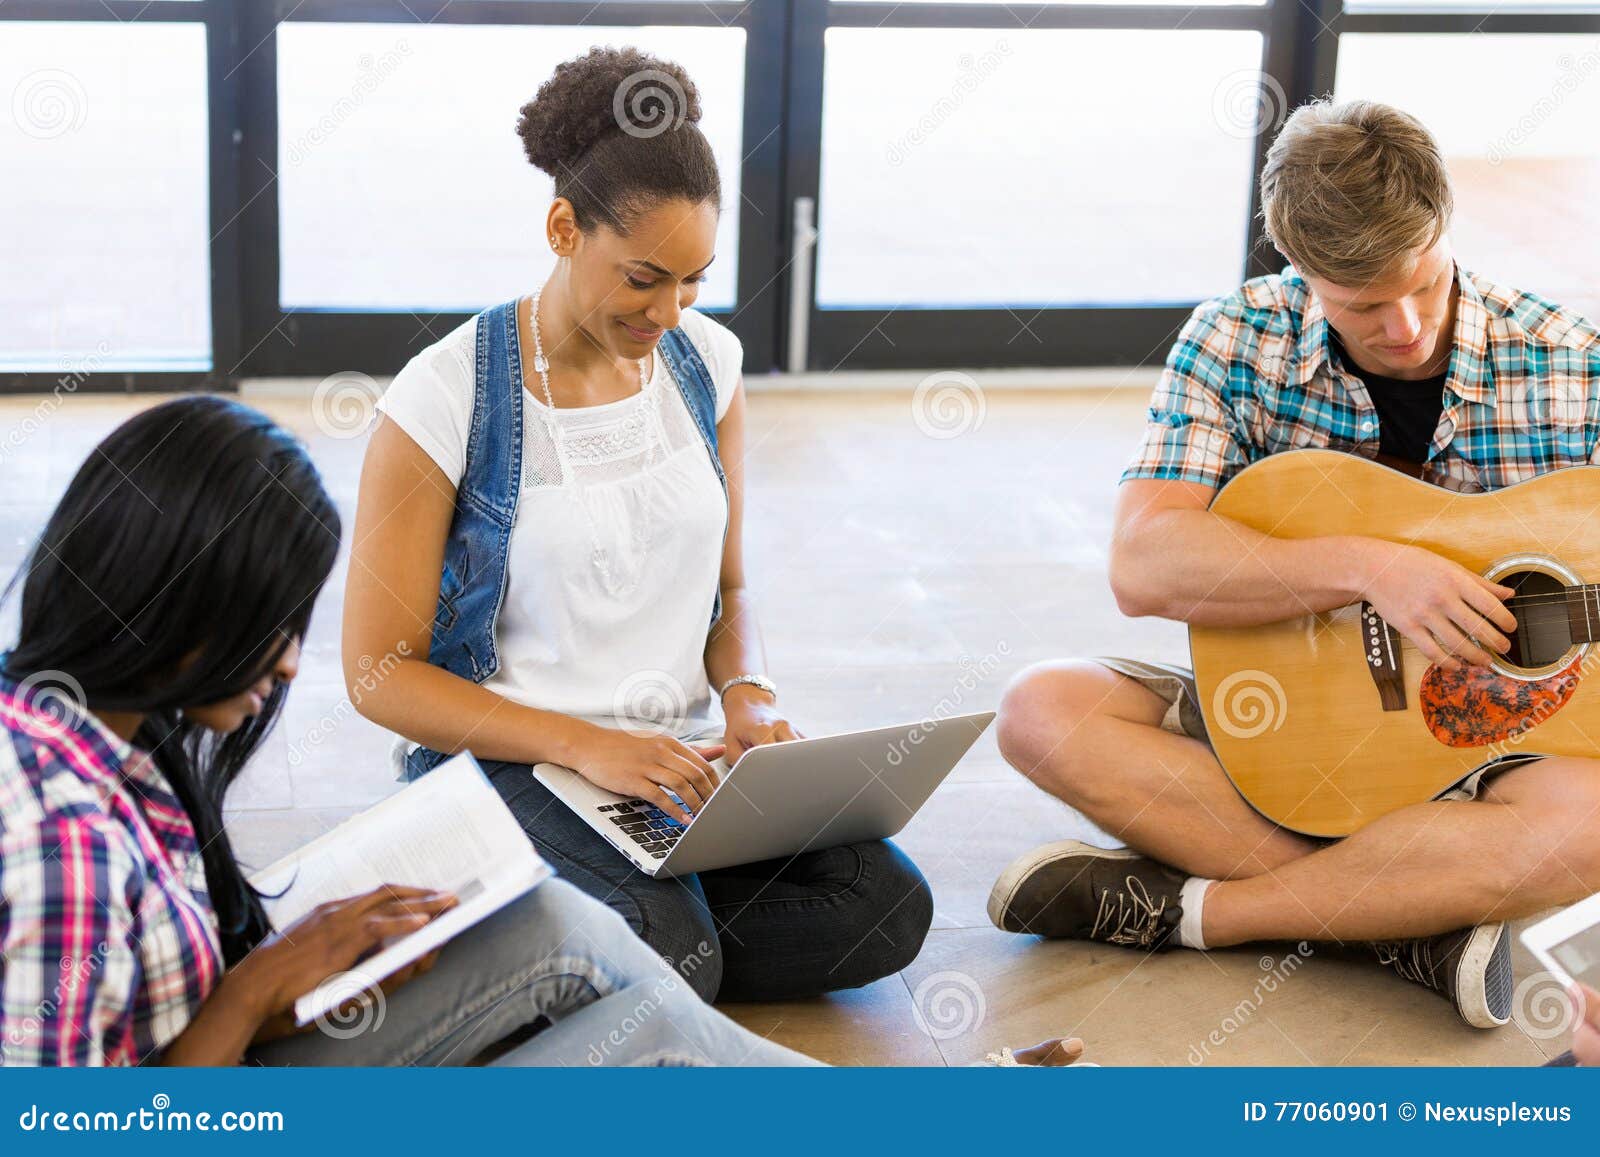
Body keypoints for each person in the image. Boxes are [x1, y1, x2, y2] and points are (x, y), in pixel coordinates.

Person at [987, 99, 1600, 1030]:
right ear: (1298, 270)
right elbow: (1143, 565)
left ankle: (1204, 913)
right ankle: (1405, 920)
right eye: (1361, 305)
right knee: (1040, 710)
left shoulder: (1569, 360)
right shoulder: (1234, 341)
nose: (1403, 326)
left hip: (1506, 760)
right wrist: (1369, 567)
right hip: (1284, 729)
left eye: (1425, 285)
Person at [344, 46, 932, 1003]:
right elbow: (377, 675)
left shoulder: (708, 364)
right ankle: (632, 937)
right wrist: (582, 744)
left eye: (694, 279)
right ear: (564, 227)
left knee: (881, 903)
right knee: (679, 950)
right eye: (645, 278)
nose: (670, 311)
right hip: (517, 767)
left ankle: (610, 945)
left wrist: (746, 693)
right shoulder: (448, 396)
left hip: (672, 772)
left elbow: (729, 591)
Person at [0, 396, 814, 1067]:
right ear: (182, 610)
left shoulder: (72, 719)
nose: (287, 667)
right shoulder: (66, 851)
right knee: (649, 1050)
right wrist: (254, 991)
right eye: (273, 627)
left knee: (556, 922)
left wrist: (275, 983)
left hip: (220, 1047)